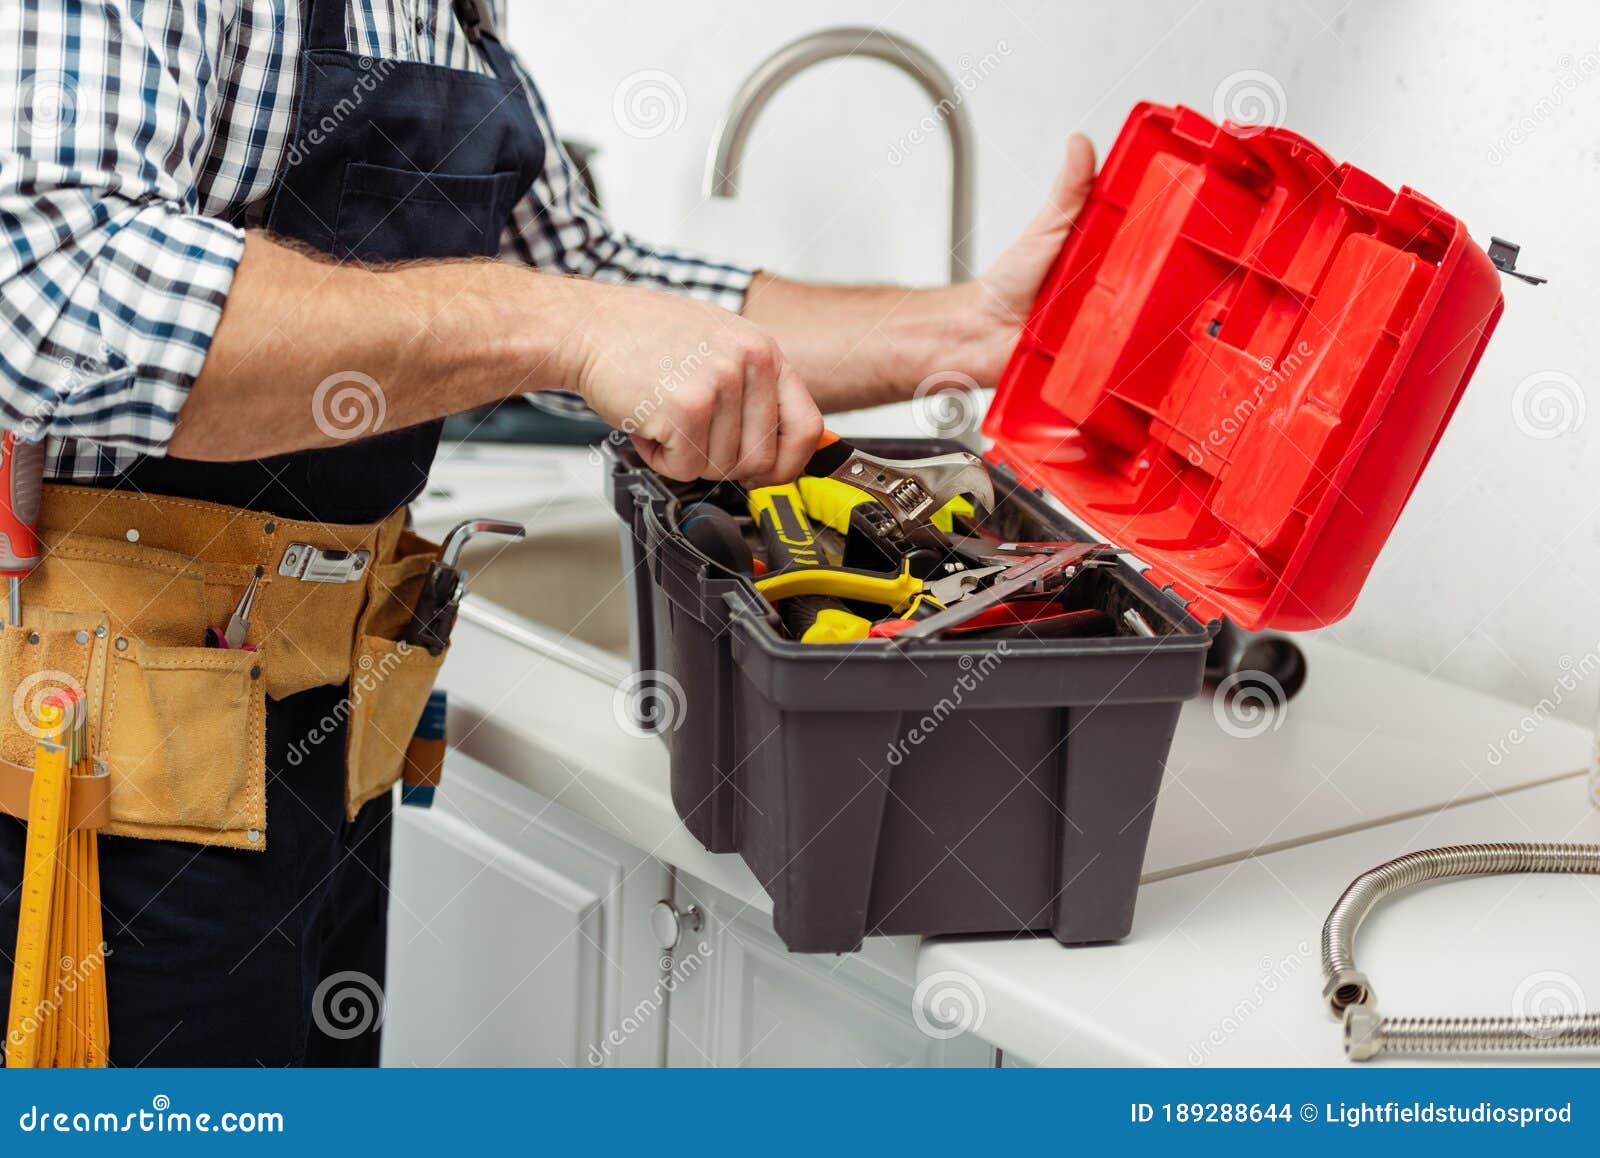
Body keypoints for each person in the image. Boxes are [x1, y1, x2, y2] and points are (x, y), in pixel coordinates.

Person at [0, 0, 1095, 1066]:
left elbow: (582, 274)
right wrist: (568, 329)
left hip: (319, 743)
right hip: (105, 780)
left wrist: (963, 330)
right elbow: (51, 292)